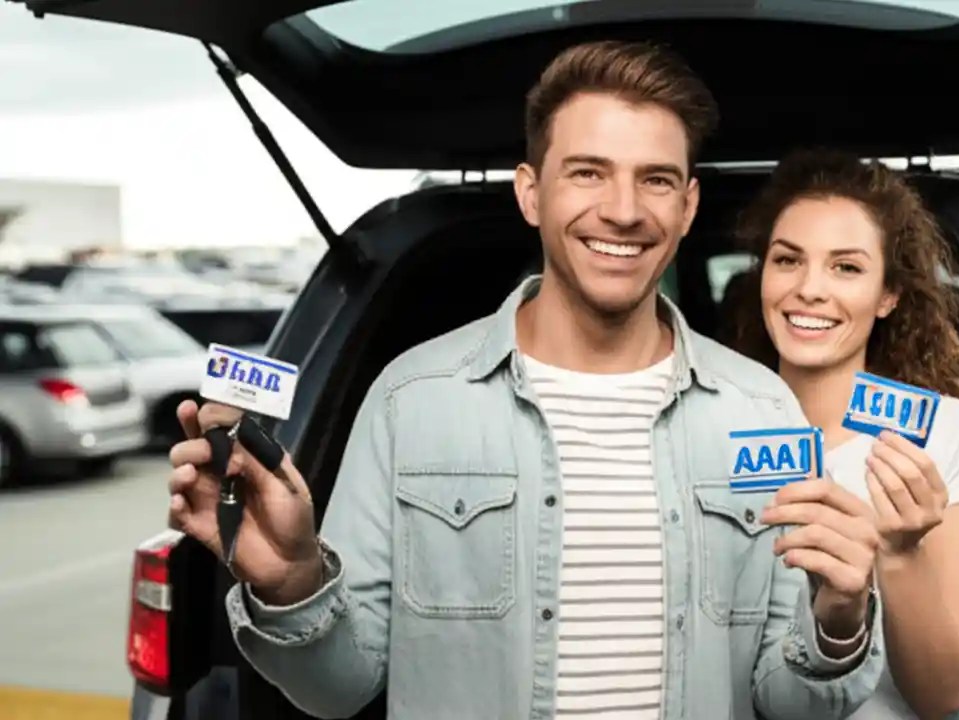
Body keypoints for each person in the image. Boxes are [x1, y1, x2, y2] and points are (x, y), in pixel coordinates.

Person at [166, 41, 888, 719]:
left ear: (688, 206)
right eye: (588, 172)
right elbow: (339, 691)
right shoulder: (409, 400)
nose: (625, 210)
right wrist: (291, 579)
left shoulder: (762, 409)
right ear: (531, 192)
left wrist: (840, 620)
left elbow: (788, 703)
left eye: (656, 180)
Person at [726, 148, 959, 720]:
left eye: (846, 267)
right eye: (788, 260)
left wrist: (900, 554)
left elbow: (943, 696)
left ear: (889, 295)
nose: (810, 289)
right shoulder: (709, 425)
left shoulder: (953, 436)